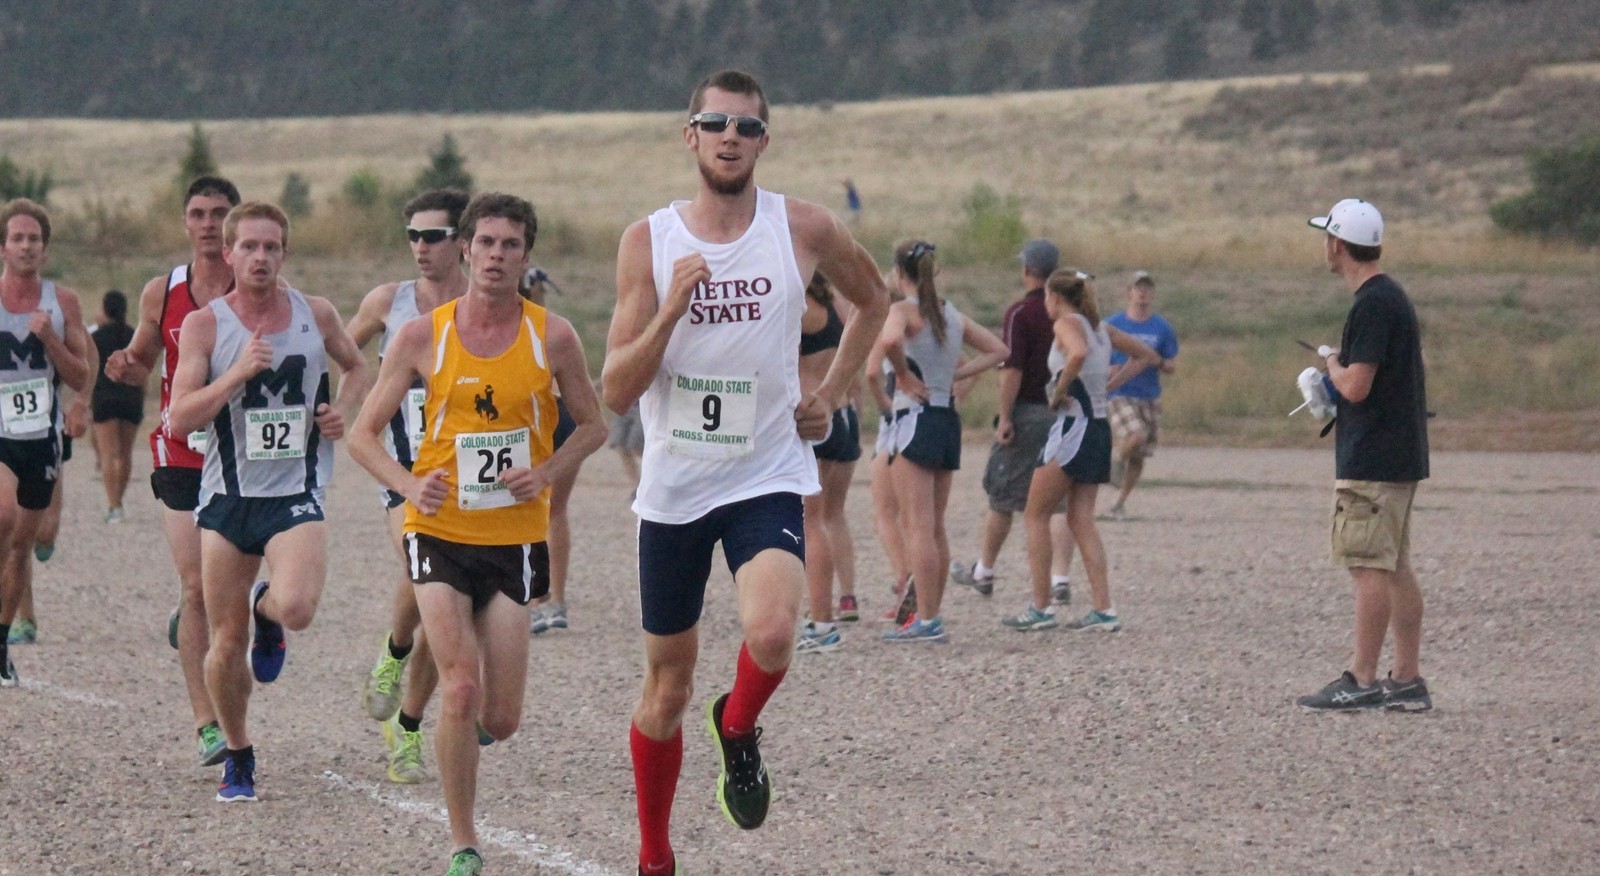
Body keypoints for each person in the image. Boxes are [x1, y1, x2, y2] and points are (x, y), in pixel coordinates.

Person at [602, 69, 889, 876]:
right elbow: (617, 386)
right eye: (715, 123)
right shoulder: (649, 241)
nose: (731, 138)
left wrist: (828, 393)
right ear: (689, 136)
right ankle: (654, 855)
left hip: (763, 472)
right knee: (666, 690)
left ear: (766, 140)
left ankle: (738, 727)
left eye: (747, 127)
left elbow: (875, 302)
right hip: (675, 489)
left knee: (771, 632)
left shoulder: (802, 227)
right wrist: (669, 311)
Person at [350, 193, 605, 876]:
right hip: (437, 530)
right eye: (485, 243)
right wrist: (407, 488)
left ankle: (452, 737)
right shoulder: (420, 335)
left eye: (509, 245)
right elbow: (361, 433)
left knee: (502, 716)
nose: (495, 256)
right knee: (459, 689)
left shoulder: (552, 336)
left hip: (516, 540)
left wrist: (545, 470)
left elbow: (595, 425)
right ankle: (464, 841)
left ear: (526, 256)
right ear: (466, 250)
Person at [167, 201, 370, 802]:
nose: (261, 257)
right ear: (227, 254)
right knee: (224, 643)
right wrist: (235, 375)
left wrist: (341, 412)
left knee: (300, 606)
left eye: (272, 247)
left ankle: (270, 613)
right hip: (228, 498)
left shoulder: (316, 313)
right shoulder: (207, 325)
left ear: (285, 253)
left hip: (294, 491)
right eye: (249, 247)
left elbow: (359, 367)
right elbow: (180, 417)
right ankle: (238, 752)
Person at [105, 175, 242, 765]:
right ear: (185, 223)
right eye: (198, 214)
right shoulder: (163, 292)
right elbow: (143, 354)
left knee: (225, 594)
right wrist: (128, 365)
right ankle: (206, 724)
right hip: (181, 447)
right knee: (195, 588)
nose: (209, 224)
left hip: (244, 456)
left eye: (219, 214)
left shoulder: (257, 283)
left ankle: (202, 617)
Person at [345, 188, 469, 784]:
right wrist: (331, 403)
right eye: (412, 236)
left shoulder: (487, 305)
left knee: (448, 612)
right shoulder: (388, 303)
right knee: (428, 580)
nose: (421, 247)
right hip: (404, 476)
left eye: (433, 236)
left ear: (462, 241)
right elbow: (339, 353)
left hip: (473, 482)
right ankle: (393, 655)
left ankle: (410, 727)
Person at [1296, 198, 1432, 713]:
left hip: (1373, 457)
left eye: (1326, 238)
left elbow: (1355, 387)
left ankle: (1363, 677)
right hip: (1398, 451)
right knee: (1394, 563)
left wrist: (1330, 362)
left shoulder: (1372, 303)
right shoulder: (1392, 298)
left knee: (1368, 565)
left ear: (1337, 244)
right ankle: (1409, 679)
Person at [1000, 269, 1158, 633]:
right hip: (1099, 427)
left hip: (1075, 426)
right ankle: (1104, 610)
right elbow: (1146, 355)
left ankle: (1041, 608)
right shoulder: (1102, 328)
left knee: (1035, 514)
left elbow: (1078, 353)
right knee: (1081, 519)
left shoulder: (1068, 324)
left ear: (1054, 297)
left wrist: (1058, 392)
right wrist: (1110, 385)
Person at [877, 239, 1008, 643]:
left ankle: (927, 619)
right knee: (935, 527)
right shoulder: (952, 316)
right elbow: (1000, 351)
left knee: (916, 526)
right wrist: (954, 377)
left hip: (914, 419)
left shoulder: (902, 311)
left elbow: (889, 342)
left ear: (900, 275)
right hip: (945, 419)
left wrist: (902, 375)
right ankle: (932, 613)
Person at [951, 238, 1078, 605]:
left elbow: (1012, 371)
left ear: (1026, 271)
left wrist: (1005, 416)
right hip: (1064, 413)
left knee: (1003, 496)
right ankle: (1060, 579)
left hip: (1028, 411)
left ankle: (985, 571)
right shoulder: (1073, 317)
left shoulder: (1021, 313)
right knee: (1058, 502)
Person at [0, 199, 92, 679]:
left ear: (45, 248)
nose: (26, 246)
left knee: (23, 543)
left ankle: (5, 637)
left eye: (34, 238)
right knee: (3, 515)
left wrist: (50, 341)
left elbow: (80, 374)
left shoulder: (63, 303)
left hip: (40, 437)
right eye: (17, 238)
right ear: (3, 247)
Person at [521, 266, 591, 637]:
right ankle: (554, 599)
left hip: (536, 417)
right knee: (555, 511)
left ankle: (537, 600)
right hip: (559, 411)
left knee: (534, 511)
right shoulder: (545, 323)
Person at [795, 272, 862, 653]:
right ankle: (844, 598)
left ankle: (820, 621)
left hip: (811, 417)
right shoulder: (838, 306)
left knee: (812, 520)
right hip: (842, 413)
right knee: (833, 514)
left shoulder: (799, 309)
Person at [1104, 270, 1178, 519]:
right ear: (1129, 293)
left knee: (1139, 455)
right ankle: (1115, 460)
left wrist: (1157, 362)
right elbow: (1095, 356)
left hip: (1148, 394)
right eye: (1138, 288)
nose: (1143, 292)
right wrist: (1107, 370)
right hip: (1120, 391)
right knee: (1135, 435)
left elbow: (1171, 365)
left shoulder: (1162, 328)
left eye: (1147, 288)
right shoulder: (1113, 324)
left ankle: (1119, 501)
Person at [89, 289, 143, 522]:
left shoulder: (95, 337)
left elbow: (88, 370)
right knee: (126, 454)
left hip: (104, 397)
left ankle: (113, 506)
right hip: (131, 397)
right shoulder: (135, 335)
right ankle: (119, 500)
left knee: (108, 454)